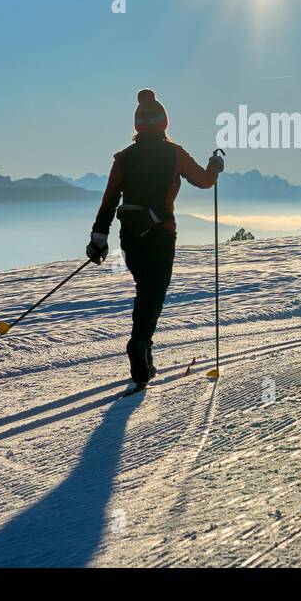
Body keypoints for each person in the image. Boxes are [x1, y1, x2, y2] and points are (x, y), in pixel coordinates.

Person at [86, 88, 224, 394]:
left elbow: (109, 200)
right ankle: (140, 345)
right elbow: (203, 180)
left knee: (144, 289)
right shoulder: (174, 153)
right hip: (161, 233)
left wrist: (99, 237)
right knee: (154, 291)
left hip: (130, 234)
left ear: (138, 125)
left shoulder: (124, 158)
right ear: (163, 123)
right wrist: (214, 167)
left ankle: (142, 348)